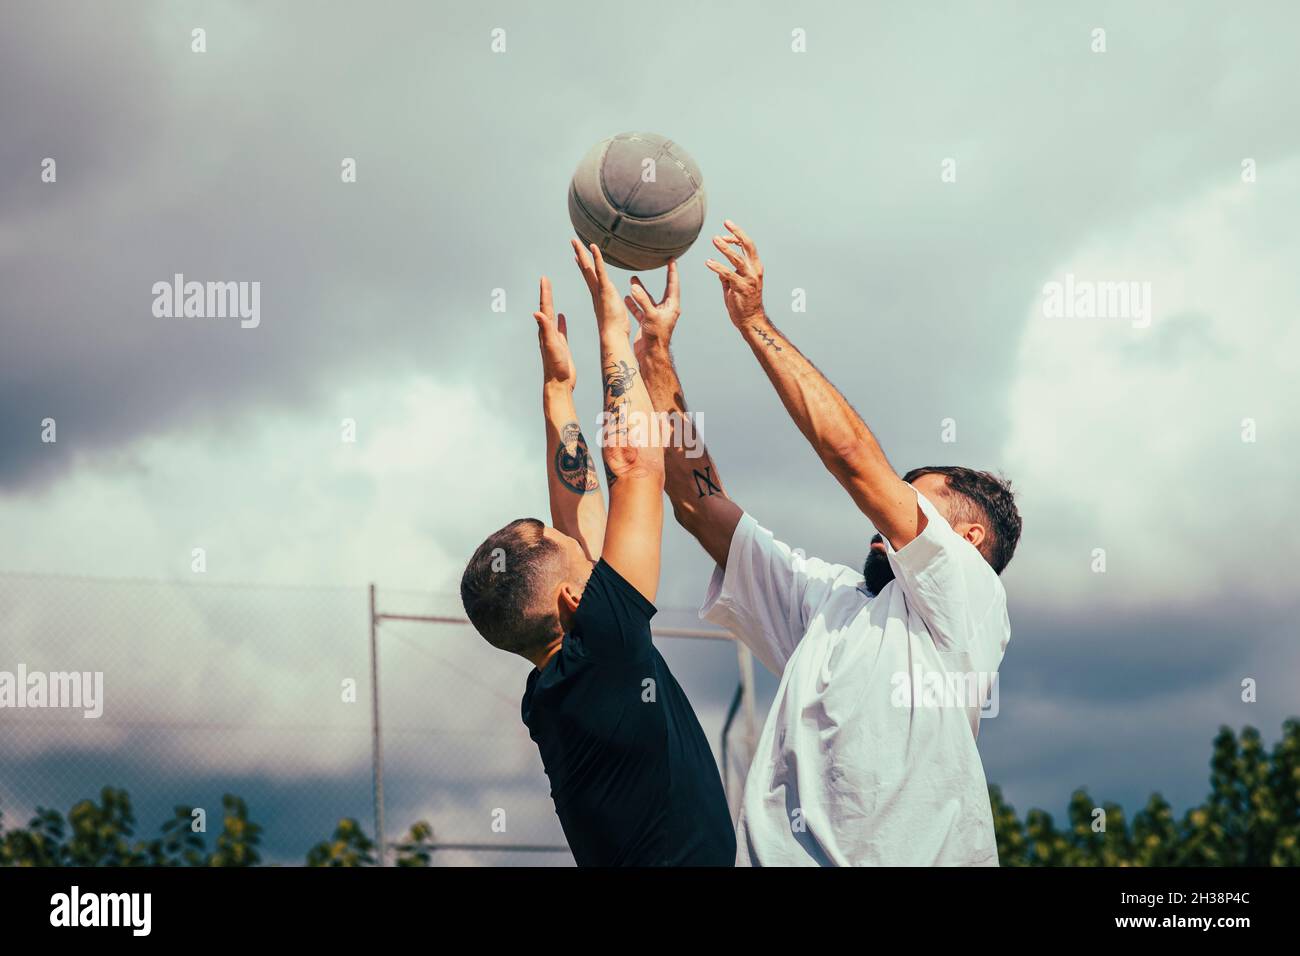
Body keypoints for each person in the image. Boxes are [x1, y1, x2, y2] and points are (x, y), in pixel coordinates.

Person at [627, 221, 1023, 866]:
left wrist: (753, 320)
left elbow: (852, 458)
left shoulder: (968, 598)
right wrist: (655, 357)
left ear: (970, 538)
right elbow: (700, 507)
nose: (885, 508)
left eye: (910, 497)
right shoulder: (831, 607)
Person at [459, 241, 735, 866]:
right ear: (572, 599)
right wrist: (613, 324)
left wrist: (560, 389)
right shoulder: (603, 654)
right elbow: (636, 466)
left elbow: (576, 512)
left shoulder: (562, 683)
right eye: (571, 550)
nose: (582, 536)